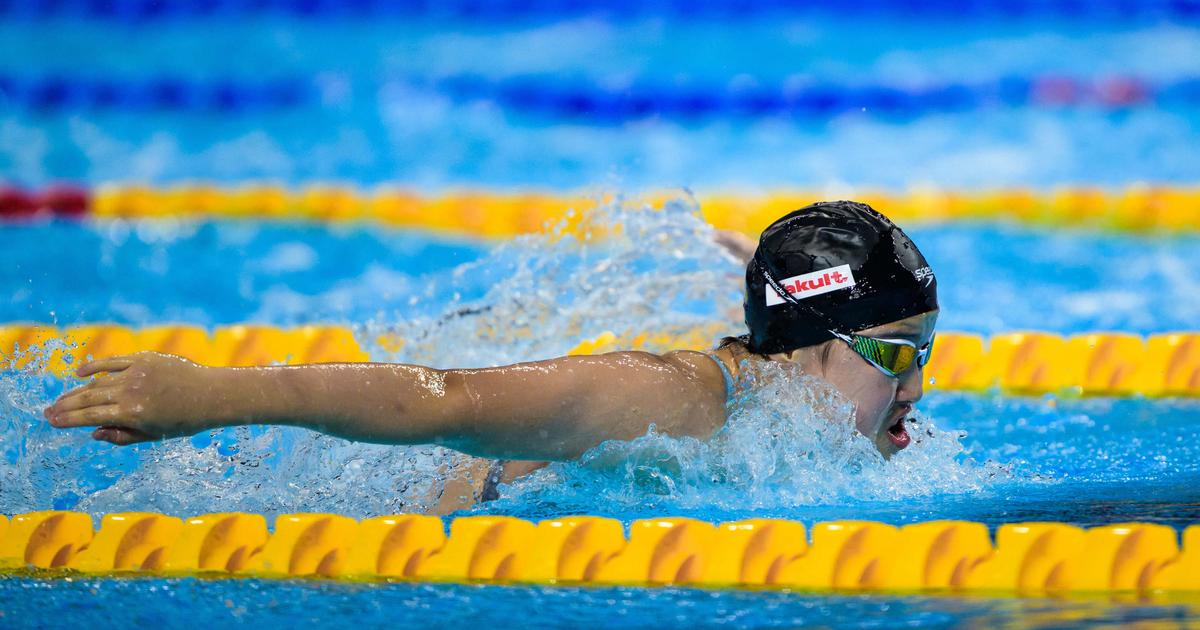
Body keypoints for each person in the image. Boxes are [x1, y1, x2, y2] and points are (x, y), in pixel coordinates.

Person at [43, 200, 938, 513]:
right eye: (898, 356)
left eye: (926, 354)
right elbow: (447, 399)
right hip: (419, 510)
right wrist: (206, 394)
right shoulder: (667, 402)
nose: (920, 385)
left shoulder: (799, 388)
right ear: (808, 347)